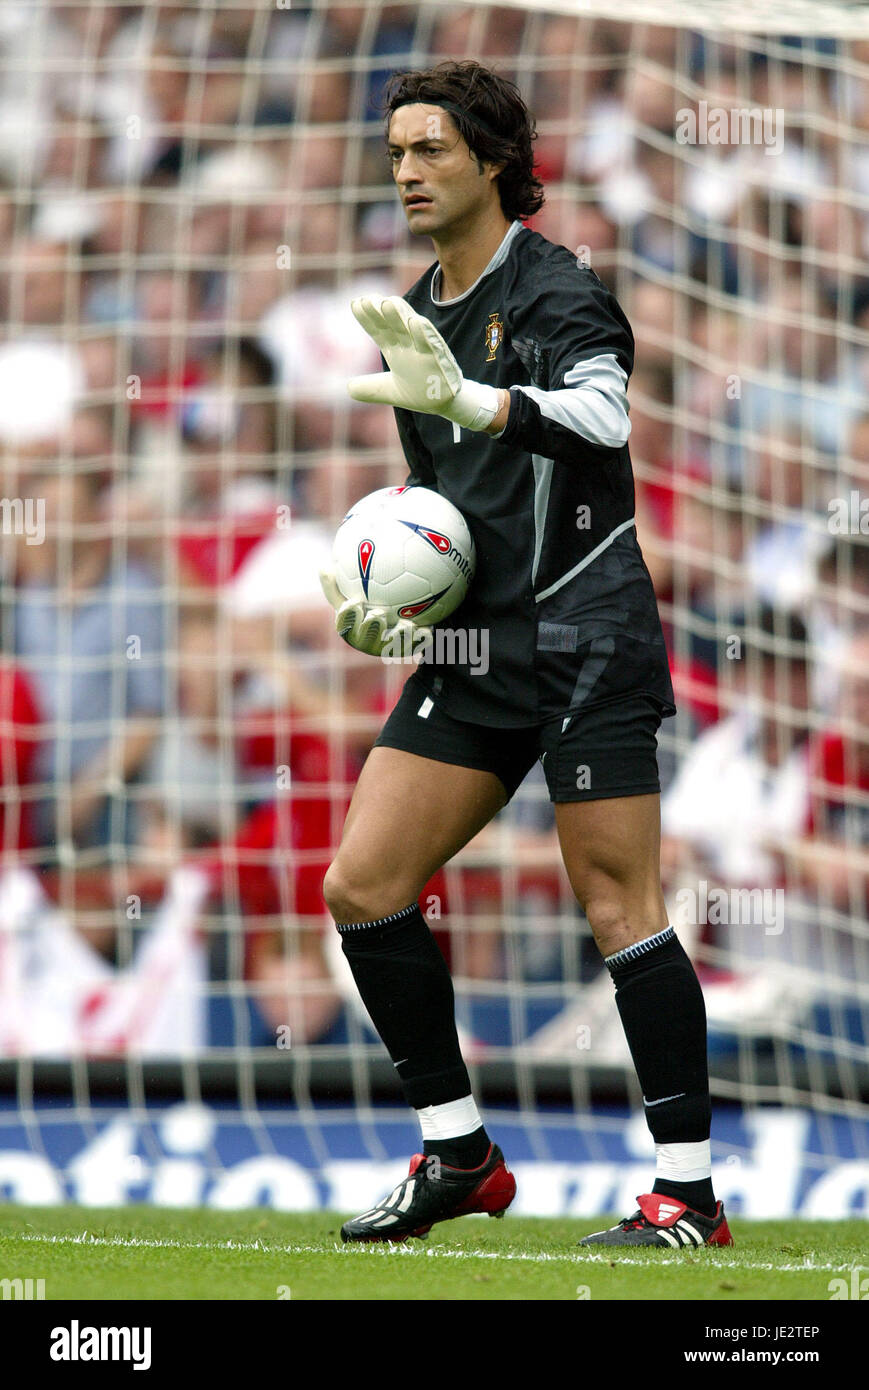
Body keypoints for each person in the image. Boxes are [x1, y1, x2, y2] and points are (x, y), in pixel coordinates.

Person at [319, 60, 732, 1250]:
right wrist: (387, 588)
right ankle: (458, 1155)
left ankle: (686, 1196)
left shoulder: (557, 291)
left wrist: (483, 398)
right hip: (475, 640)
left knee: (616, 900)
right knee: (362, 885)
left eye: (429, 149)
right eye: (394, 151)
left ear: (494, 161)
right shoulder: (413, 311)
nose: (404, 171)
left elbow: (603, 420)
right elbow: (445, 495)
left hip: (583, 630)